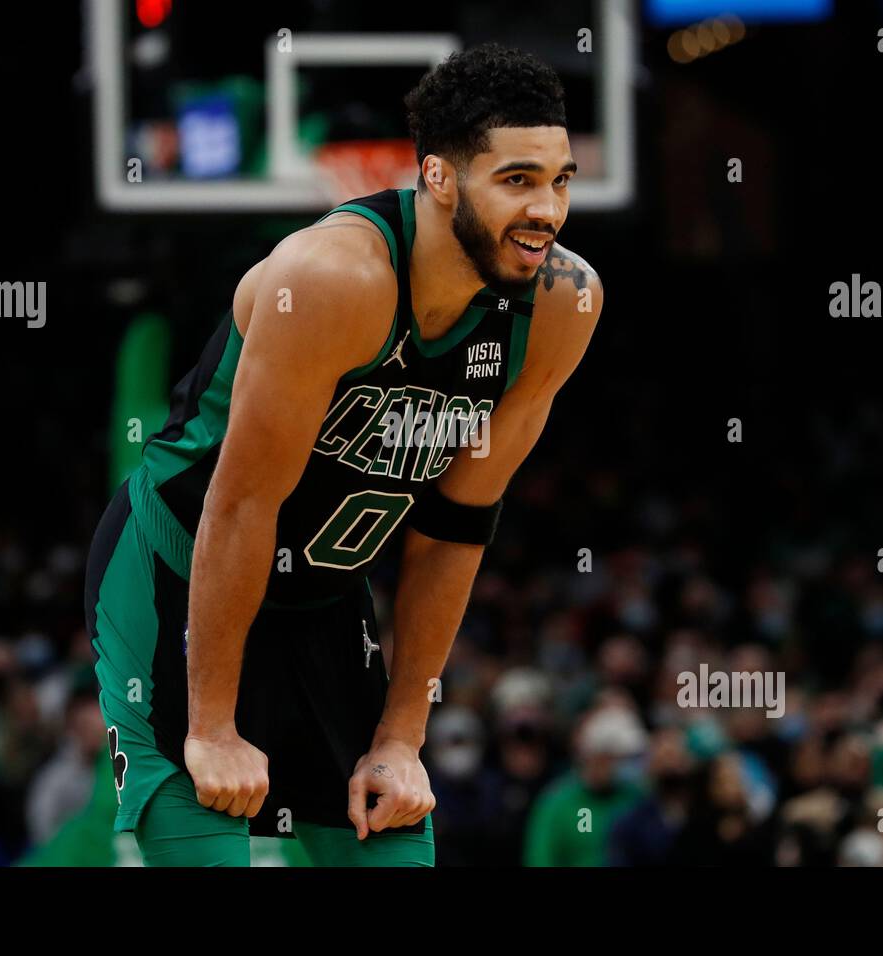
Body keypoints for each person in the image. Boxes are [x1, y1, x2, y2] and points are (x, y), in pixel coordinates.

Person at [84, 43, 603, 866]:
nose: (548, 209)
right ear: (438, 176)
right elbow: (240, 503)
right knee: (204, 849)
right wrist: (213, 726)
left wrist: (401, 737)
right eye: (517, 180)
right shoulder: (331, 280)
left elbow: (457, 527)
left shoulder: (562, 304)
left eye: (561, 179)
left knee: (392, 845)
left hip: (325, 599)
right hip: (178, 569)